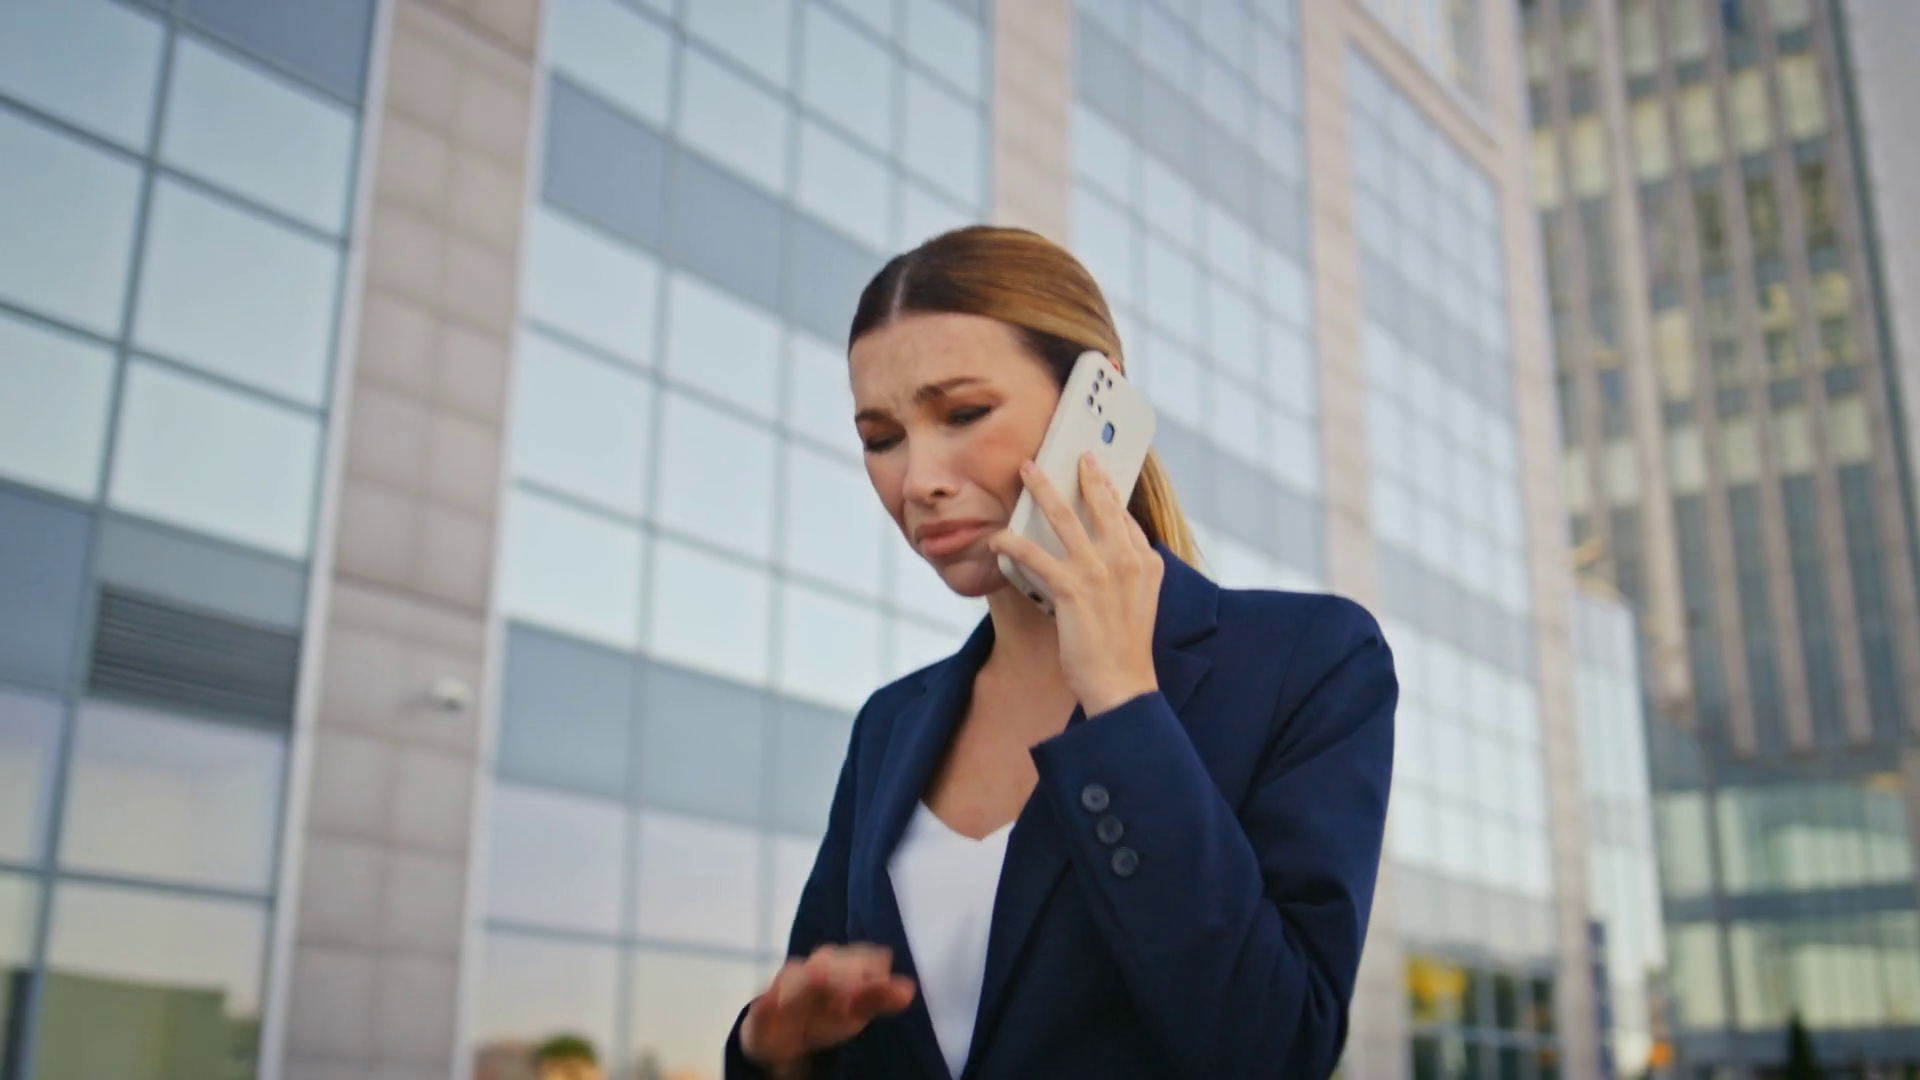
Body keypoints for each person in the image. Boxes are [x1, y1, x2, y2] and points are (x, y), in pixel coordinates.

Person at [724, 226, 1396, 1079]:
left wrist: (1123, 702)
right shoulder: (890, 726)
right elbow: (830, 1033)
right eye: (880, 436)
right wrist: (769, 1048)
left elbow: (1276, 1047)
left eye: (963, 413)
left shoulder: (1309, 661)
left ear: (1096, 406)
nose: (917, 478)